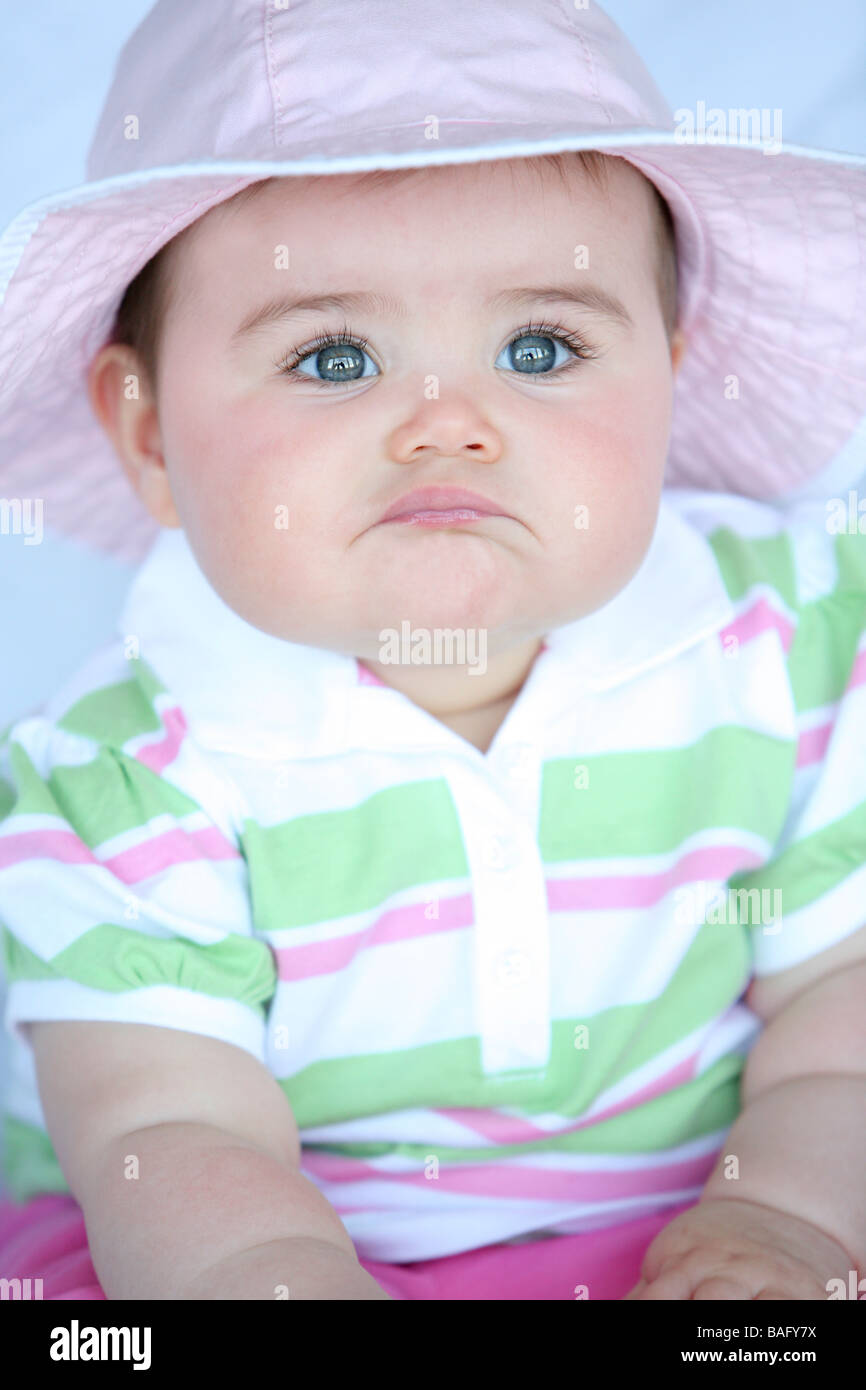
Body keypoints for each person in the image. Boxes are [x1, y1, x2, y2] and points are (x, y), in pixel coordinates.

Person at [0, 0, 865, 1301]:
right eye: (334, 355)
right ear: (150, 435)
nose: (447, 424)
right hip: (257, 1245)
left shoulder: (785, 634)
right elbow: (166, 1128)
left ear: (670, 381)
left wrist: (786, 1227)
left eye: (540, 347)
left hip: (738, 1192)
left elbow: (839, 1013)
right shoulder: (114, 776)